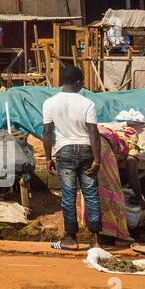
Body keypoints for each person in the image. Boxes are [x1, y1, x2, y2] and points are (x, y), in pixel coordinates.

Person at [43, 65, 102, 250]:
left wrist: (47, 157)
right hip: (86, 151)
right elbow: (94, 132)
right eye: (82, 81)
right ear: (78, 82)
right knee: (91, 195)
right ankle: (95, 241)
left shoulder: (50, 103)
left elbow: (46, 132)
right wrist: (97, 159)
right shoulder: (88, 103)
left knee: (68, 196)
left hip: (64, 151)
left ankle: (70, 239)